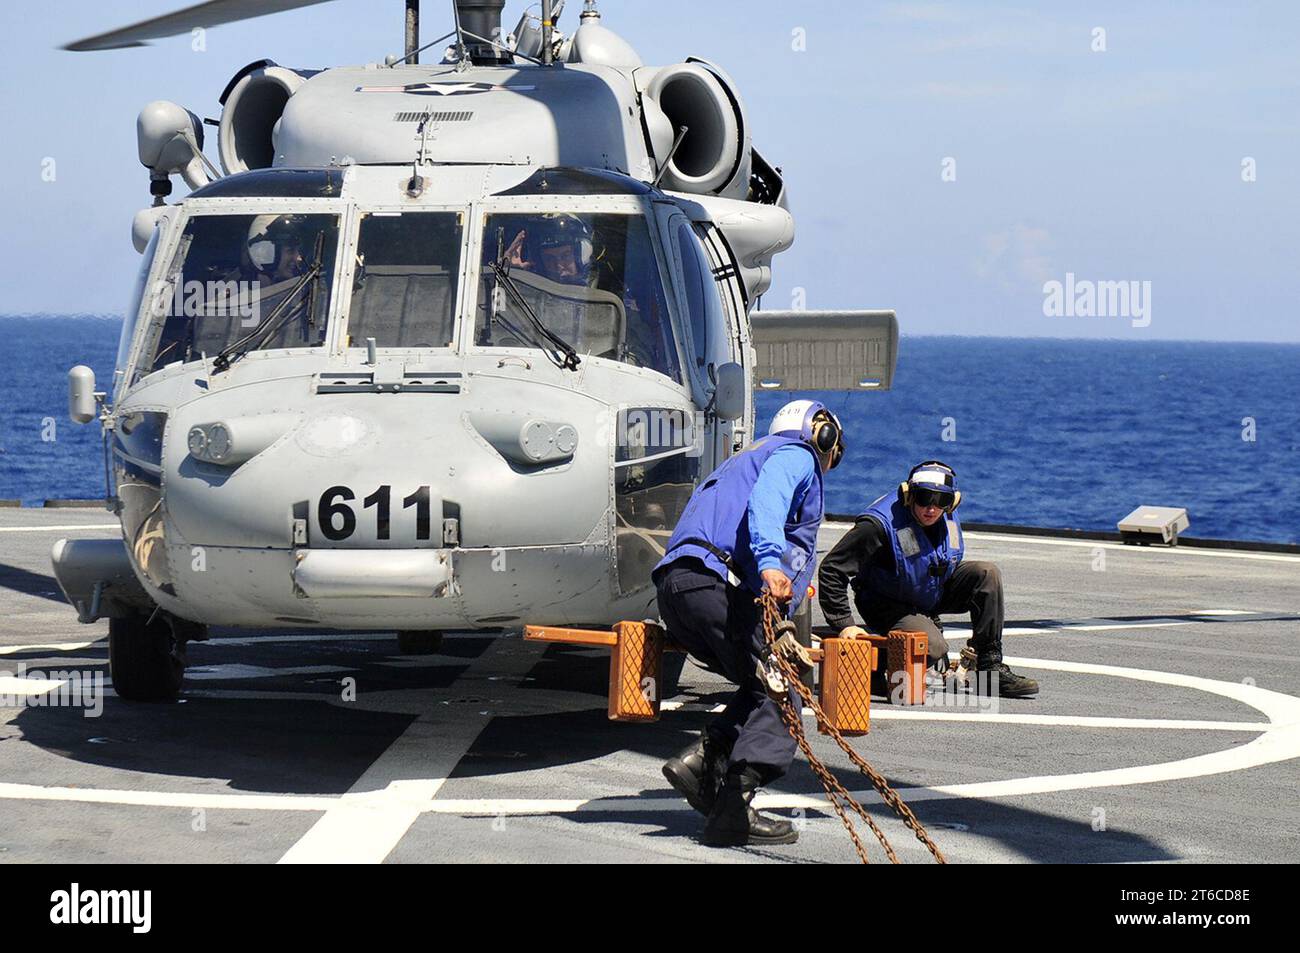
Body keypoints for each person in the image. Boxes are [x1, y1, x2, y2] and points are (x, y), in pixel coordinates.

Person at [654, 399, 845, 847]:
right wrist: (770, 563)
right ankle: (733, 808)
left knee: (759, 682)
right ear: (824, 435)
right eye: (836, 449)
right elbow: (769, 502)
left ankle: (703, 762)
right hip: (714, 585)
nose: (833, 461)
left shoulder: (742, 460)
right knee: (786, 686)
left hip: (677, 590)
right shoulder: (796, 455)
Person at [817, 461, 1039, 698]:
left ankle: (990, 670)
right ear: (908, 496)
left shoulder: (945, 516)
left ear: (952, 502)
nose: (931, 508)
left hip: (929, 590)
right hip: (885, 603)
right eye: (924, 498)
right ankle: (877, 663)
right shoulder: (877, 525)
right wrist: (844, 624)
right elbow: (832, 569)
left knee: (987, 575)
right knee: (933, 648)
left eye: (941, 501)